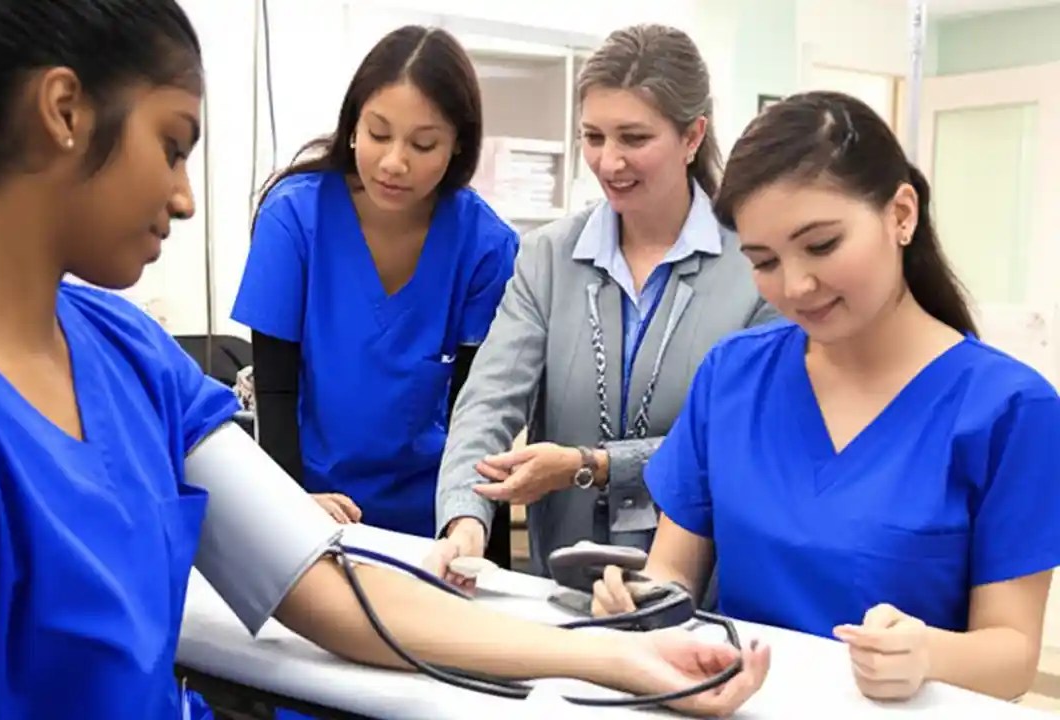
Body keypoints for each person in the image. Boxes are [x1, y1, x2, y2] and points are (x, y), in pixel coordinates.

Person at [0, 2, 770, 718]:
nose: (185, 198)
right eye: (172, 147)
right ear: (63, 111)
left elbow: (332, 593)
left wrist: (610, 665)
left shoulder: (124, 354)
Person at [591, 90, 1060, 703]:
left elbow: (1012, 655)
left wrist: (925, 654)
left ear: (901, 214)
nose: (796, 285)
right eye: (763, 260)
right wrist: (642, 601)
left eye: (821, 246)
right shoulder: (732, 377)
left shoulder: (1009, 410)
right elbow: (675, 570)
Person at [426, 24, 776, 587]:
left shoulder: (756, 269)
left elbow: (739, 443)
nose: (609, 161)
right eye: (593, 136)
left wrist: (594, 467)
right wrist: (465, 522)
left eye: (634, 138)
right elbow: (488, 403)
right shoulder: (548, 256)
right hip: (564, 589)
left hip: (702, 599)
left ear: (692, 136)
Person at [231, 25, 519, 549]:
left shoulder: (484, 245)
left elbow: (478, 414)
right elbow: (275, 390)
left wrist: (480, 546)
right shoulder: (295, 217)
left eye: (423, 143)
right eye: (379, 133)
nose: (394, 162)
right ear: (352, 125)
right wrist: (288, 504)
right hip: (313, 512)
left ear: (458, 145)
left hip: (432, 522)